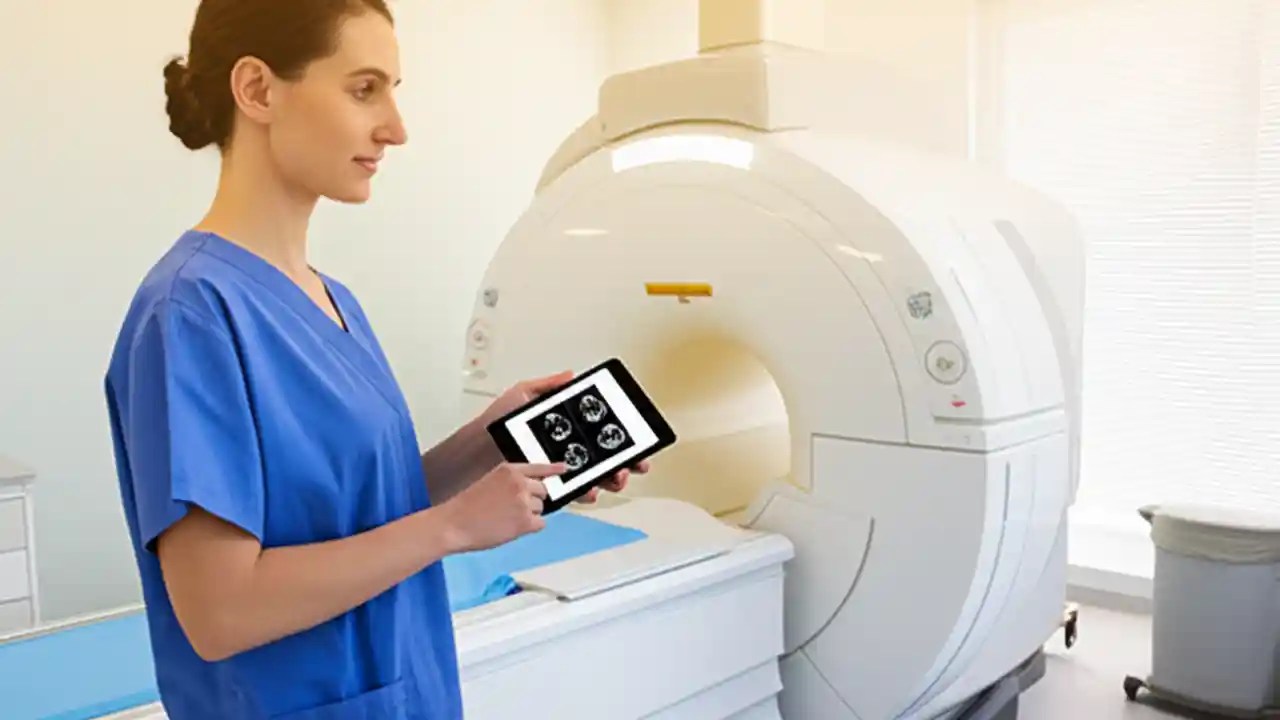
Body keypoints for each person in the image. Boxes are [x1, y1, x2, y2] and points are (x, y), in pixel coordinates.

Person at [103, 1, 646, 718]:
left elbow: (352, 514)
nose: (395, 126)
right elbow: (219, 611)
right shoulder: (192, 314)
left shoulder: (333, 300)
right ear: (258, 90)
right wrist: (452, 528)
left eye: (393, 90)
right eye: (364, 90)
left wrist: (483, 443)